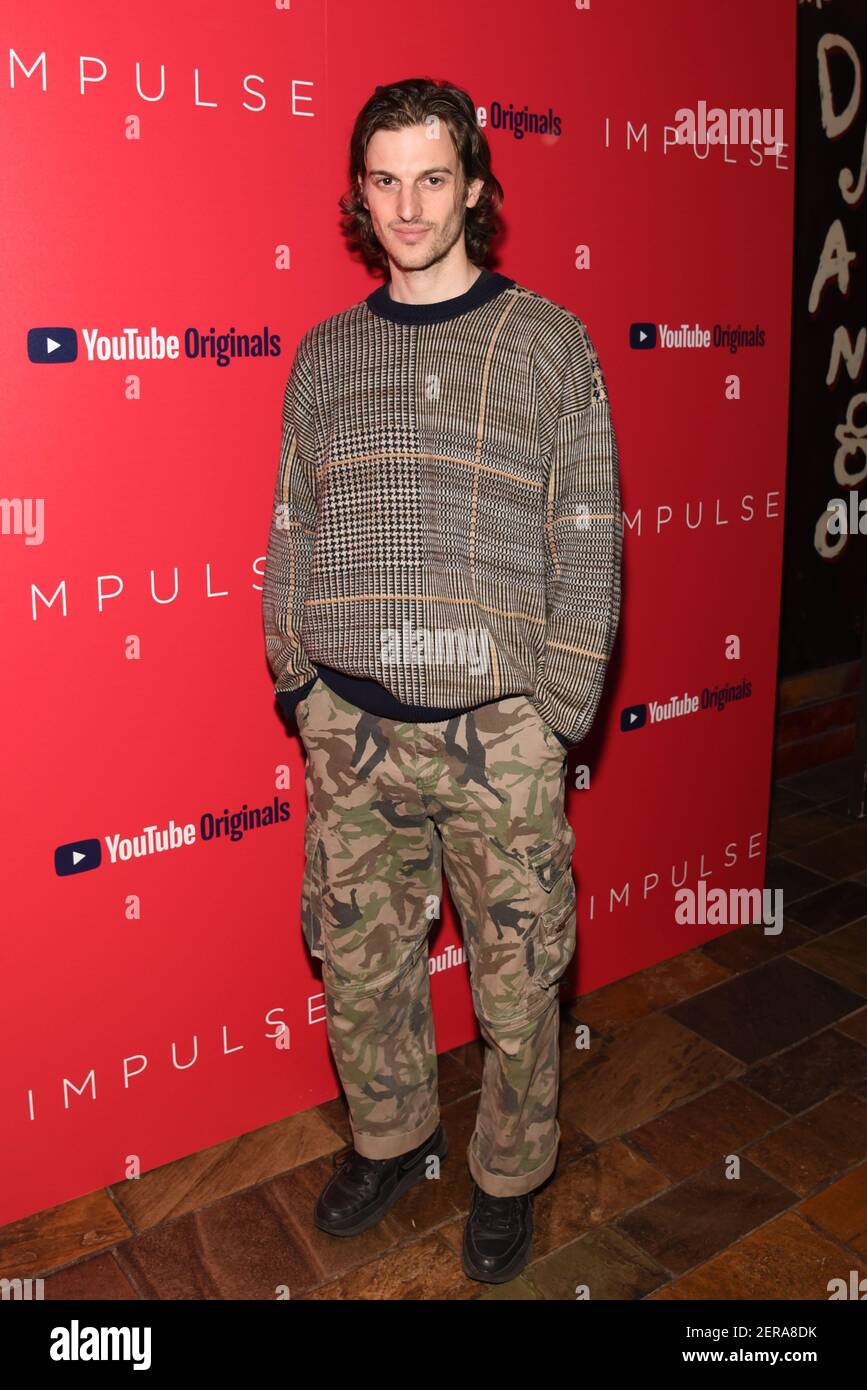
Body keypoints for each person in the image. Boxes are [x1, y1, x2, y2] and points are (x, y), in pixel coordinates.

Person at [261, 76, 622, 1285]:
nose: (408, 204)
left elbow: (587, 534)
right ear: (359, 194)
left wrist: (556, 709)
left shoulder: (549, 343)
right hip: (353, 728)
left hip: (498, 734)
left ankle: (510, 1172)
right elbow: (293, 529)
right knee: (362, 966)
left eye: (432, 177)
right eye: (384, 179)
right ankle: (392, 1137)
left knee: (520, 981)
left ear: (473, 185)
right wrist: (300, 682)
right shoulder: (324, 355)